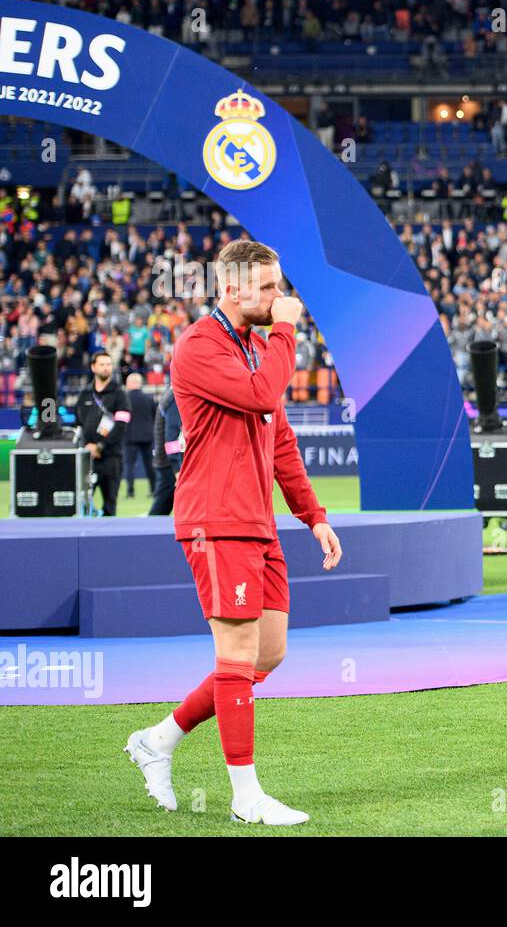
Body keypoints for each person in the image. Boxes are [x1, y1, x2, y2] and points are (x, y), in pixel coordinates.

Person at [124, 240, 342, 827]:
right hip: (215, 520)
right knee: (238, 655)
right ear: (232, 288)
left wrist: (313, 515)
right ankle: (246, 796)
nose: (280, 298)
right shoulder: (200, 346)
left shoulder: (252, 345)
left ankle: (159, 740)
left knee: (267, 653)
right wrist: (286, 334)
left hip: (257, 522)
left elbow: (280, 440)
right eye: (268, 288)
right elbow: (260, 394)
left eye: (279, 286)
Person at [75, 352, 130, 516]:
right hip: (87, 457)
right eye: (102, 364)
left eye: (108, 364)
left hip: (111, 457)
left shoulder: (120, 394)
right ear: (93, 367)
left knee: (109, 504)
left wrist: (100, 446)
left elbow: (121, 425)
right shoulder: (84, 394)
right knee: (82, 504)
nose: (106, 368)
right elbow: (79, 424)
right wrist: (87, 446)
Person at [148, 383, 183, 516]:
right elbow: (171, 435)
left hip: (168, 461)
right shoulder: (175, 395)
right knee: (159, 511)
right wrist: (177, 469)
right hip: (171, 464)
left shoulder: (172, 391)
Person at [123, 373, 157, 500]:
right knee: (150, 464)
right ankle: (154, 490)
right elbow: (155, 416)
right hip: (148, 436)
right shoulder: (148, 398)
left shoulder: (125, 398)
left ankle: (130, 492)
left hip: (130, 436)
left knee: (129, 465)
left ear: (129, 383)